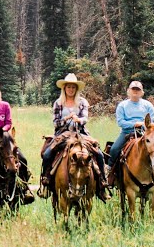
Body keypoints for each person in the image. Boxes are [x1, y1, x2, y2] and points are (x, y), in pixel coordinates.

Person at [38, 73, 109, 201]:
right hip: (62, 134)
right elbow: (55, 122)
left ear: (76, 89)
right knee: (48, 154)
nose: (71, 89)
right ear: (64, 88)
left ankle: (102, 183)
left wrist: (78, 119)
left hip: (80, 133)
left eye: (73, 87)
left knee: (98, 154)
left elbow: (85, 118)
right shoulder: (58, 103)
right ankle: (46, 180)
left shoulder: (82, 102)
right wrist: (66, 118)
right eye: (68, 87)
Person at [109, 80, 154, 188]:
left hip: (146, 132)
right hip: (127, 132)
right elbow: (120, 122)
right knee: (114, 149)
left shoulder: (148, 105)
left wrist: (145, 125)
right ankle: (110, 172)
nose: (135, 92)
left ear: (142, 92)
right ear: (128, 91)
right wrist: (134, 124)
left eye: (138, 90)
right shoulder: (122, 105)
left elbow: (153, 120)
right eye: (133, 89)